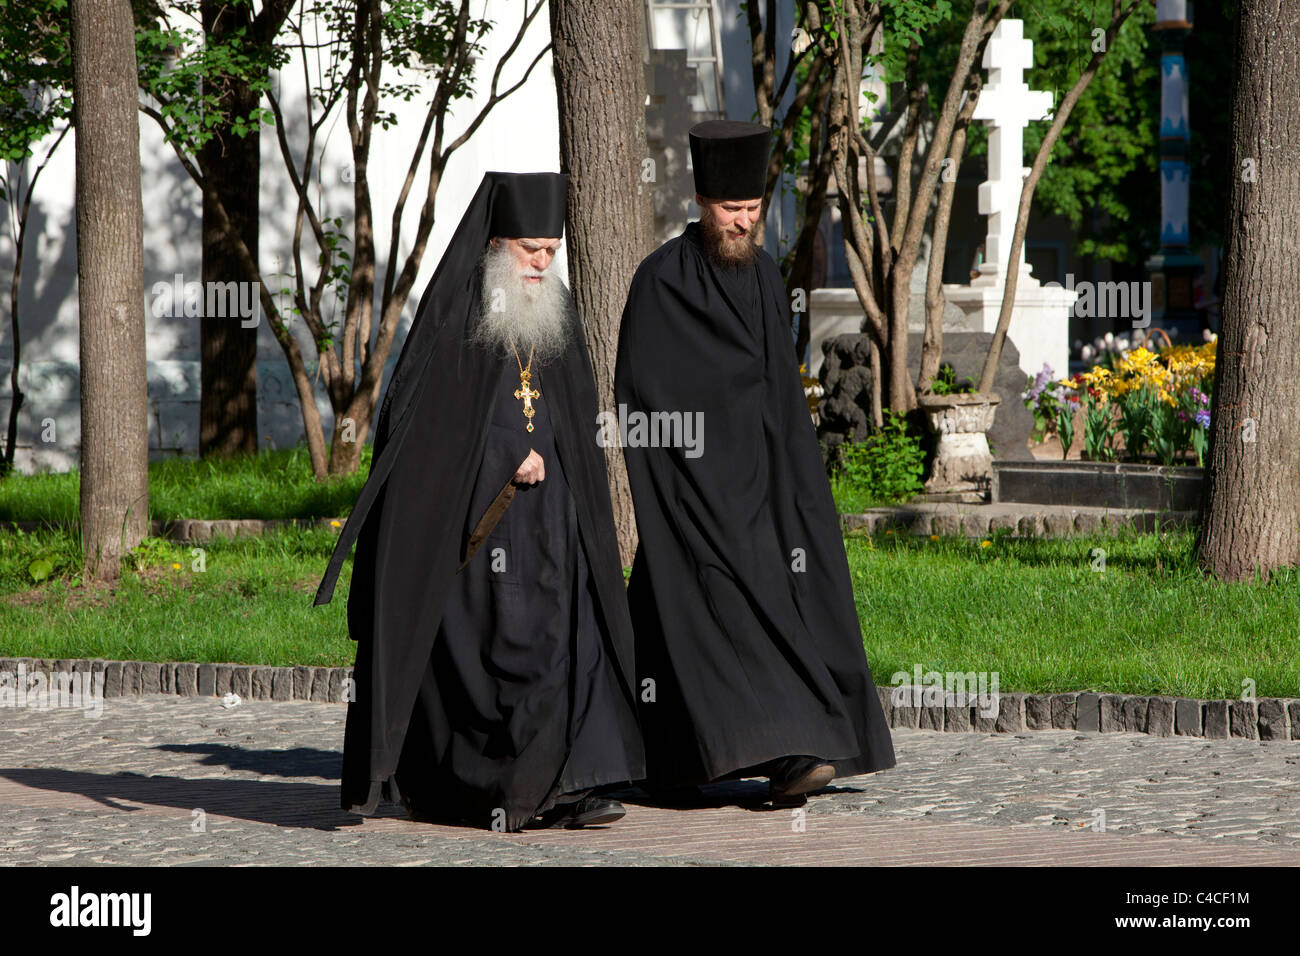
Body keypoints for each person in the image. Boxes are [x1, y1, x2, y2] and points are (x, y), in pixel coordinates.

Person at [314, 171, 644, 832]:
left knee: (568, 648)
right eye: (531, 251)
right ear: (497, 244)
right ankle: (486, 787)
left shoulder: (557, 312)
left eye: (551, 251)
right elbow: (423, 437)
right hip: (476, 539)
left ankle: (567, 786)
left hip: (551, 527)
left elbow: (575, 416)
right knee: (491, 661)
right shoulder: (456, 317)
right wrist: (497, 460)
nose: (543, 264)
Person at [614, 121, 896, 806]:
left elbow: (779, 386)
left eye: (752, 211)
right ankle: (788, 751)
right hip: (693, 486)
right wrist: (685, 479)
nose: (742, 223)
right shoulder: (660, 283)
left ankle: (659, 757)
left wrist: (795, 485)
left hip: (767, 481)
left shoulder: (766, 277)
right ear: (702, 203)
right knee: (721, 606)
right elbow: (640, 398)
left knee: (677, 614)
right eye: (729, 210)